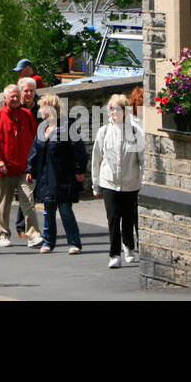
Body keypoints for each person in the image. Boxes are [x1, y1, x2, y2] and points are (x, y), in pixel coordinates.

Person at [0, 83, 43, 249]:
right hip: (4, 169)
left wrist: (33, 163)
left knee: (28, 201)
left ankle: (34, 235)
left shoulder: (26, 115)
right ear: (5, 98)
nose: (17, 99)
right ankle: (3, 234)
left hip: (24, 169)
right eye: (13, 96)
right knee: (4, 204)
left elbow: (35, 140)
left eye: (18, 95)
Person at [28, 93, 87, 254]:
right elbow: (35, 151)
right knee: (48, 210)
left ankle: (74, 243)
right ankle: (48, 242)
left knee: (65, 210)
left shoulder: (68, 127)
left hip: (63, 177)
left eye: (41, 108)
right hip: (46, 177)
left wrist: (79, 170)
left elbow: (79, 152)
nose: (39, 111)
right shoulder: (42, 128)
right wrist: (30, 169)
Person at [92, 93, 144, 268]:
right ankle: (114, 254)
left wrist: (143, 182)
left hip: (130, 182)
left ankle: (128, 246)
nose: (115, 112)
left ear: (125, 110)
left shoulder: (136, 133)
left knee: (128, 217)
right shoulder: (104, 132)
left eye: (118, 109)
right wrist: (95, 184)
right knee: (113, 218)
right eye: (112, 109)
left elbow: (142, 159)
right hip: (109, 182)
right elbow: (97, 159)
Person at [15, 74, 38, 238]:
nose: (28, 94)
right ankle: (21, 227)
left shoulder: (40, 109)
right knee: (25, 193)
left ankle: (25, 227)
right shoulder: (16, 110)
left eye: (31, 91)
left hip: (36, 157)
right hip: (19, 158)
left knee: (29, 194)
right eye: (25, 91)